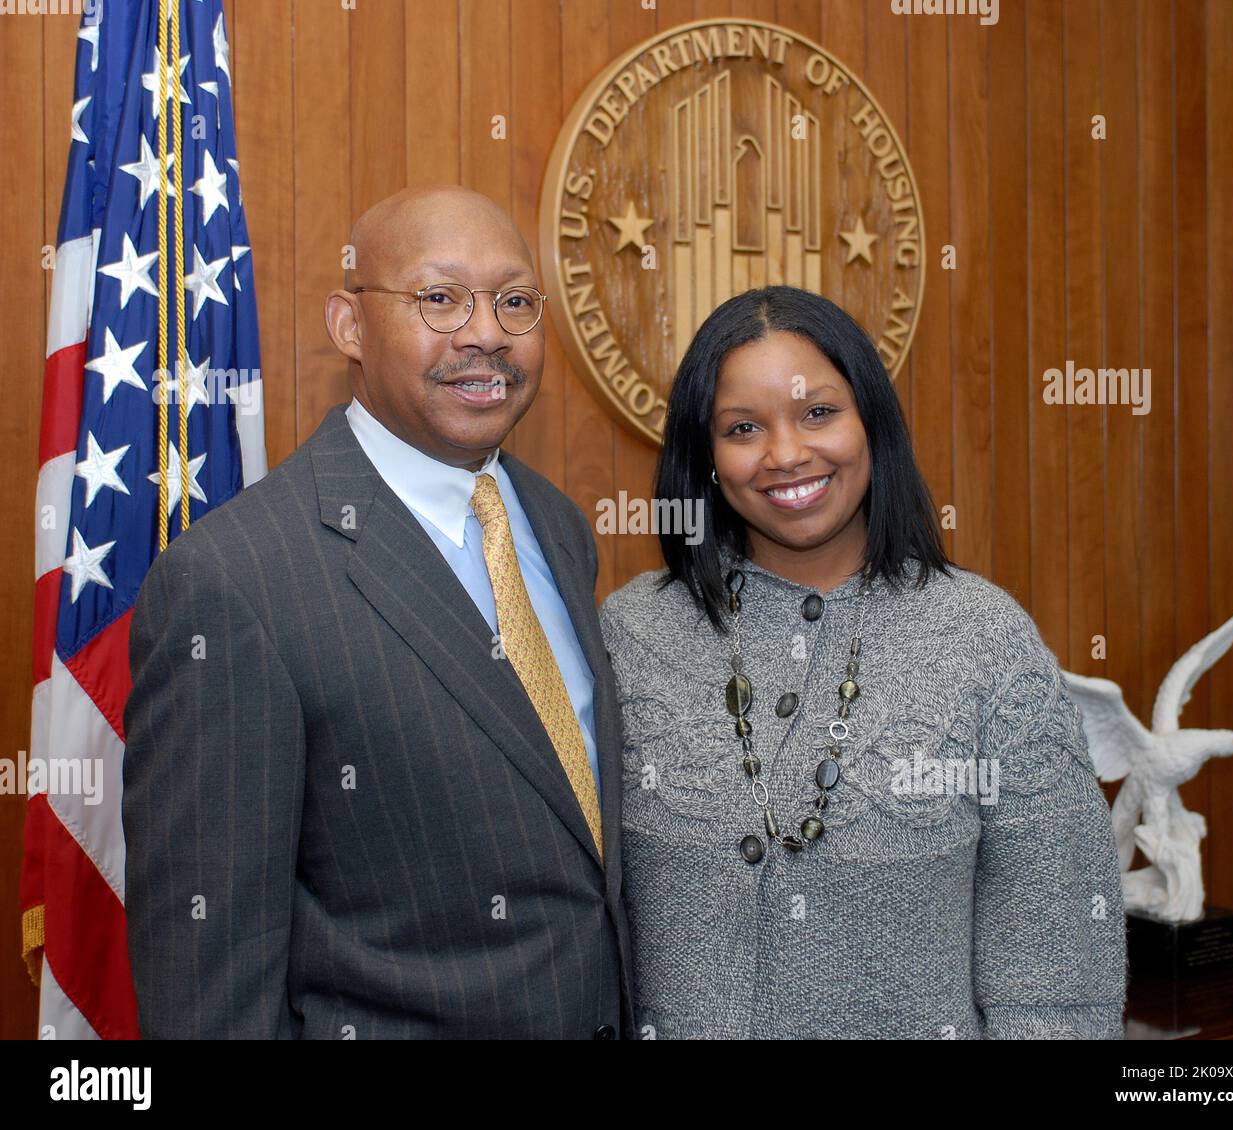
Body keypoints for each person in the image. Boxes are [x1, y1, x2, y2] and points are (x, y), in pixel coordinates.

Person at [123, 185, 633, 1039]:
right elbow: (208, 990)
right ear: (349, 326)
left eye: (514, 302)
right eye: (439, 298)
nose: (484, 334)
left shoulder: (555, 525)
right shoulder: (233, 582)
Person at [598, 285, 1128, 1039]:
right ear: (706, 458)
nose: (786, 454)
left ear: (871, 424)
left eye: (818, 412)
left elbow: (1060, 960)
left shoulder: (984, 639)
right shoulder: (631, 632)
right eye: (743, 427)